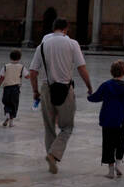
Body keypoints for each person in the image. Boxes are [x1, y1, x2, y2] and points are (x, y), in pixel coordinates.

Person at [28, 17, 94, 174]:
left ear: (53, 29)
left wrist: (35, 91)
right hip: (65, 88)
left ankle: (51, 154)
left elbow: (32, 72)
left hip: (46, 88)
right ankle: (53, 154)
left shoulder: (42, 45)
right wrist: (89, 86)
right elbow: (81, 68)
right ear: (66, 29)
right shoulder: (72, 44)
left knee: (49, 127)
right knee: (67, 127)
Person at [88, 59, 124, 179]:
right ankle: (118, 164)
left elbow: (96, 97)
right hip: (121, 120)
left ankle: (110, 171)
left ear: (111, 72)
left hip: (107, 120)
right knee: (120, 142)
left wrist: (89, 95)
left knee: (108, 143)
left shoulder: (106, 85)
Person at [0, 49, 25, 127]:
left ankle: (7, 114)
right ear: (19, 58)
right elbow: (27, 76)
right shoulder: (21, 67)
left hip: (6, 89)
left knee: (7, 103)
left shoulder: (6, 66)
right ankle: (11, 122)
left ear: (10, 57)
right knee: (14, 104)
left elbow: (1, 77)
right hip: (16, 88)